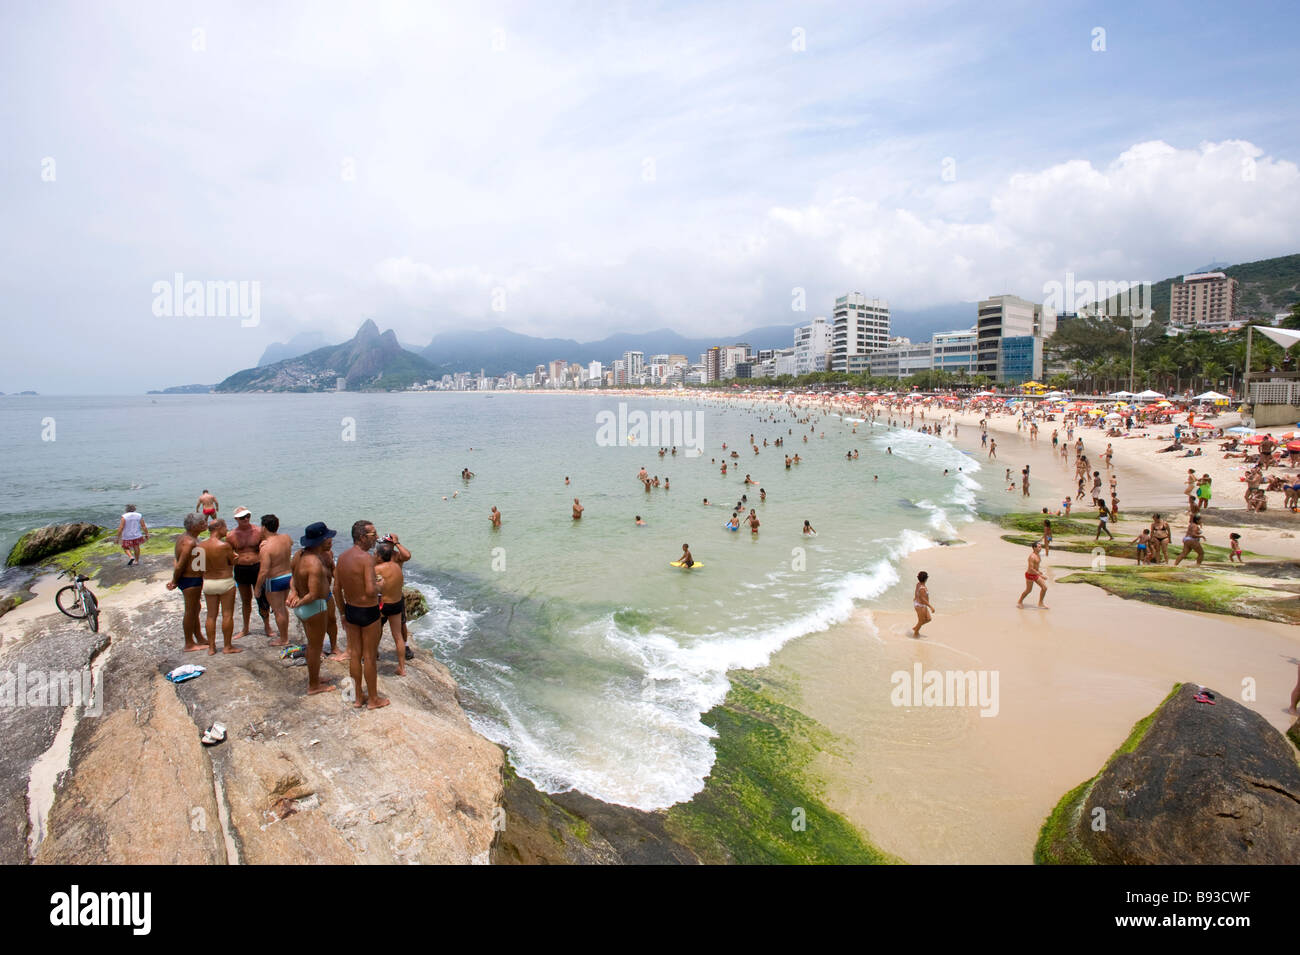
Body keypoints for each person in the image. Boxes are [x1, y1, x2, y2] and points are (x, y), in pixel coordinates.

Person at [335, 520, 388, 709]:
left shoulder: (342, 558)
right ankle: (373, 699)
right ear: (362, 537)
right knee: (370, 656)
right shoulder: (366, 559)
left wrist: (342, 612)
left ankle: (358, 697)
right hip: (368, 611)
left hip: (351, 610)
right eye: (373, 535)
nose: (376, 538)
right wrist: (380, 585)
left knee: (355, 655)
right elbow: (370, 589)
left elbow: (336, 589)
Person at [286, 522, 337, 696]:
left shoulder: (298, 555)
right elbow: (315, 593)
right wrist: (299, 601)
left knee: (312, 645)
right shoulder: (314, 563)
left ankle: (315, 677)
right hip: (314, 607)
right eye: (327, 537)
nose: (330, 539)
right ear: (320, 541)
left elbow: (293, 578)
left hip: (305, 609)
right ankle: (314, 685)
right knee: (315, 648)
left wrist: (293, 592)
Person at [165, 513, 208, 652]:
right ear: (194, 526)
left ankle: (199, 637)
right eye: (202, 523)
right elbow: (180, 564)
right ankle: (189, 643)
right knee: (190, 611)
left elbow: (177, 560)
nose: (205, 524)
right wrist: (174, 581)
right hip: (189, 579)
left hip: (194, 577)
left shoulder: (189, 538)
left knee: (196, 608)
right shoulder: (189, 541)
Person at [197, 520, 241, 654]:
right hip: (224, 581)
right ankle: (227, 646)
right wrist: (236, 558)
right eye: (225, 527)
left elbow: (197, 567)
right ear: (218, 528)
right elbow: (231, 562)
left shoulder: (200, 545)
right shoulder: (225, 546)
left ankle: (211, 647)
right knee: (227, 614)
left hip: (209, 582)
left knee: (211, 615)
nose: (226, 530)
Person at [228, 506, 270, 639]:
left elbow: (267, 546)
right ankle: (245, 628)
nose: (246, 519)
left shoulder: (258, 531)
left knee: (262, 598)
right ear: (236, 519)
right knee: (245, 600)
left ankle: (267, 626)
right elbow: (227, 553)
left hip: (257, 566)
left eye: (248, 516)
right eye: (242, 517)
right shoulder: (231, 535)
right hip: (241, 569)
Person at [375, 537, 412, 677]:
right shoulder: (397, 566)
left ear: (379, 556)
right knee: (397, 636)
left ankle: (373, 655)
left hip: (382, 604)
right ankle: (401, 667)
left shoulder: (376, 569)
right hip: (396, 603)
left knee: (376, 632)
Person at [256, 514, 294, 647]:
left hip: (274, 580)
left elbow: (264, 571)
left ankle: (283, 639)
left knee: (278, 610)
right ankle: (285, 635)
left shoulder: (266, 548)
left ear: (264, 527)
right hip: (288, 576)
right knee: (283, 608)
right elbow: (291, 544)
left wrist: (257, 588)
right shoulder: (286, 538)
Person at [1017, 542, 1049, 609]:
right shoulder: (1032, 556)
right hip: (1030, 575)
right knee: (1028, 590)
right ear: (1034, 548)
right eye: (1039, 547)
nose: (1041, 548)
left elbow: (1036, 566)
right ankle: (1019, 602)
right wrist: (1041, 575)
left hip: (1036, 574)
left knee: (1044, 588)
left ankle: (1040, 603)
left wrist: (1039, 572)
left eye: (1041, 547)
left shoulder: (1038, 555)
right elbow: (1031, 568)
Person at [912, 571, 934, 637]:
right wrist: (931, 607)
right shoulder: (922, 588)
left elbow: (916, 592)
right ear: (926, 578)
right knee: (921, 621)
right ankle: (915, 633)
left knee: (928, 619)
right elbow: (923, 599)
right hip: (920, 606)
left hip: (920, 604)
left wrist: (915, 597)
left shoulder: (918, 584)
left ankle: (916, 627)